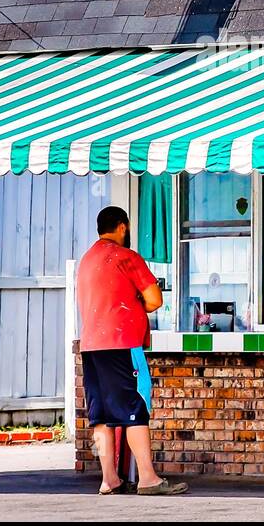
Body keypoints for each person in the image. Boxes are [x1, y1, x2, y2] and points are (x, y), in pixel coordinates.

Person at [77, 206, 187, 496]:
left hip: (91, 346)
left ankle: (109, 478)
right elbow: (154, 299)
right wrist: (136, 299)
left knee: (100, 415)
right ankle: (148, 478)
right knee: (133, 409)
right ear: (123, 227)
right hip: (121, 343)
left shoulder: (87, 261)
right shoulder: (125, 257)